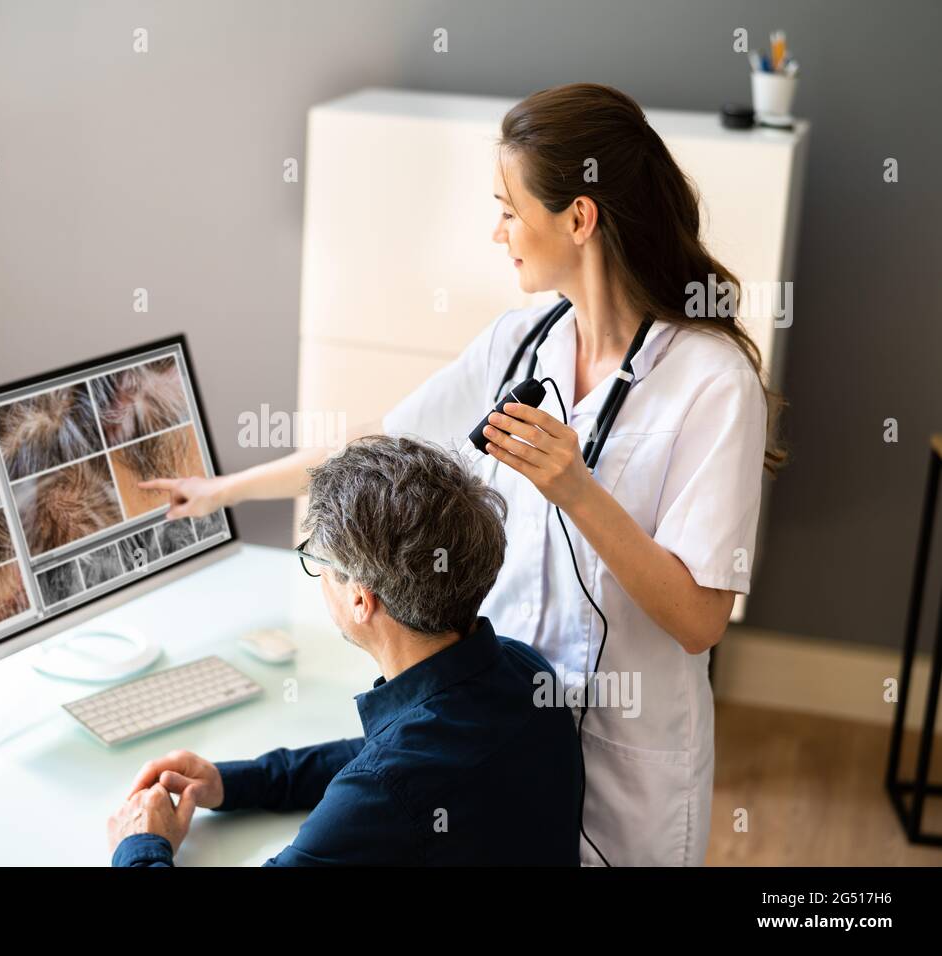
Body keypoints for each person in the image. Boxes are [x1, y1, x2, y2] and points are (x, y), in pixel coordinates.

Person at [137, 83, 781, 866]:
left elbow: (699, 620)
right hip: (498, 732)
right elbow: (376, 446)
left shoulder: (712, 383)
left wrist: (574, 488)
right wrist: (221, 491)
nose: (496, 230)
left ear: (578, 218)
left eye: (510, 209)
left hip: (627, 764)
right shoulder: (520, 344)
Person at [107, 435, 582, 866]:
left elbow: (386, 776)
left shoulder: (385, 790)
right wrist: (239, 782)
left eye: (320, 562)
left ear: (361, 597)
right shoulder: (524, 672)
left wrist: (141, 844)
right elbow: (385, 757)